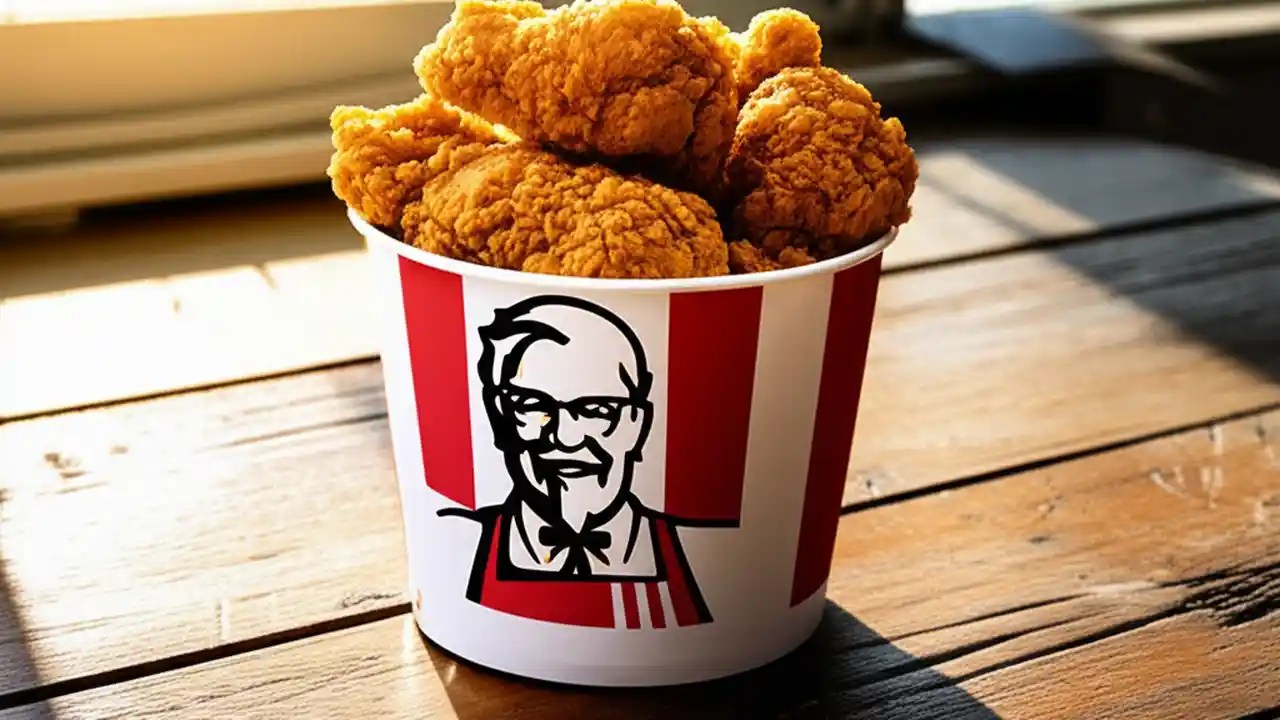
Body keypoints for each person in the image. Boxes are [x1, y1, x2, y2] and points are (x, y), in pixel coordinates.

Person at [440, 296, 711, 629]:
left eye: (597, 410)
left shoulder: (704, 552)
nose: (566, 437)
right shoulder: (455, 541)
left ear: (637, 423)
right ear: (499, 418)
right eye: (531, 405)